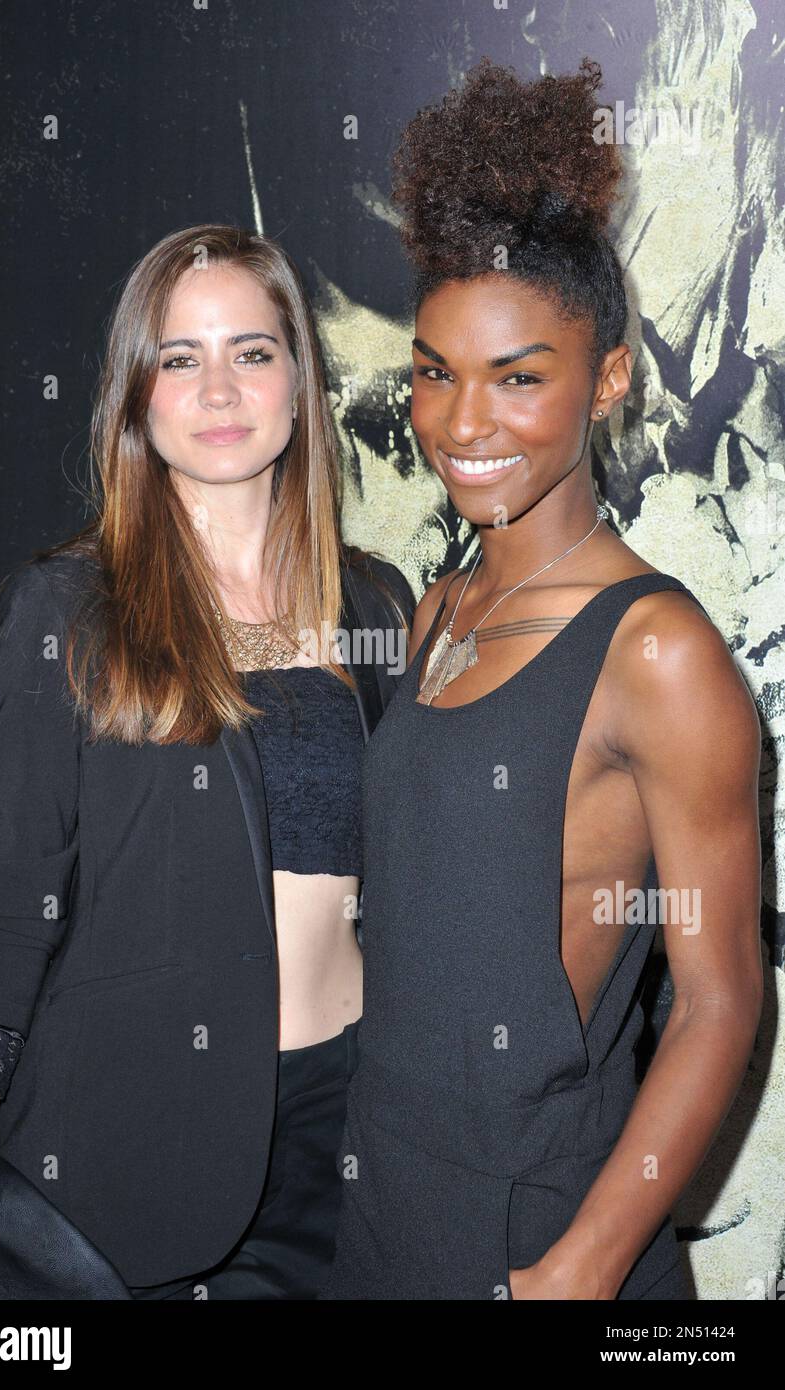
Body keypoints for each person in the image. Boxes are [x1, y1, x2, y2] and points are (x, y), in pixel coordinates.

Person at [320, 58, 763, 1301]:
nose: (462, 424)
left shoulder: (657, 653)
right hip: (380, 1211)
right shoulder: (436, 609)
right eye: (434, 371)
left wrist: (580, 1268)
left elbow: (722, 1001)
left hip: (539, 1233)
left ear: (606, 379)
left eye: (518, 377)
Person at [0, 223, 413, 1300]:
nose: (219, 390)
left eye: (252, 352)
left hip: (337, 1140)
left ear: (300, 382)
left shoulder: (377, 606)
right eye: (179, 358)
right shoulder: (66, 610)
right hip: (124, 1158)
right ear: (135, 396)